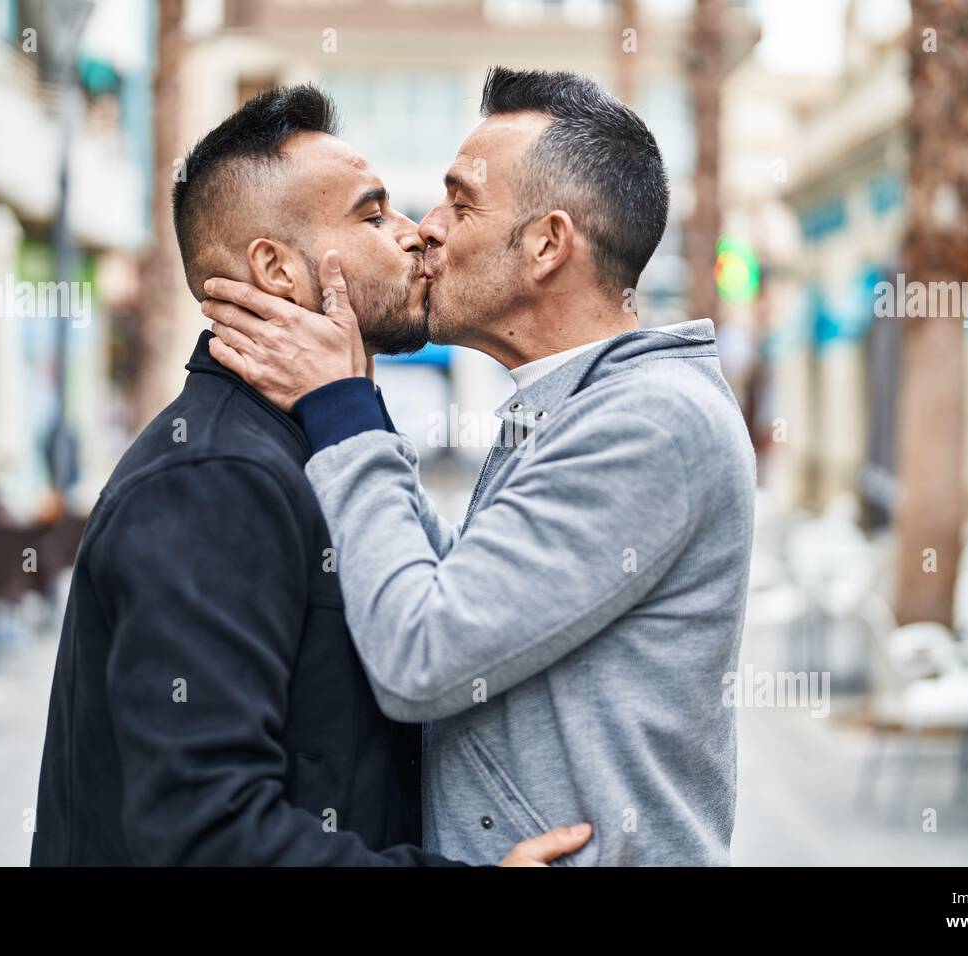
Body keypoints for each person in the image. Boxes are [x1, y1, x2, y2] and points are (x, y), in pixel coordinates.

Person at [204, 67, 757, 867]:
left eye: (460, 205)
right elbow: (460, 586)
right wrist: (348, 401)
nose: (425, 229)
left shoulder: (651, 423)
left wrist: (341, 411)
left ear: (547, 245)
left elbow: (422, 655)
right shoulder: (572, 403)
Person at [30, 84, 590, 866]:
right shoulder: (213, 480)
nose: (416, 235)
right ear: (277, 270)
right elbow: (203, 834)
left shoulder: (317, 446)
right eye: (373, 216)